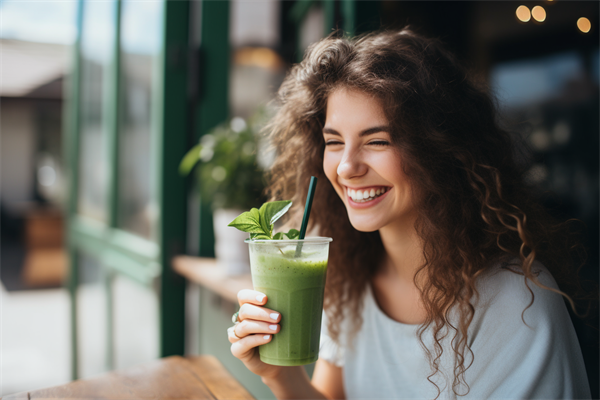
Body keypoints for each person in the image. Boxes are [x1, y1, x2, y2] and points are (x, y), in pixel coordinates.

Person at [226, 28, 592, 399]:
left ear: (438, 149)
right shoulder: (348, 279)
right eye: (334, 142)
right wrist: (278, 376)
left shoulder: (517, 303)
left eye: (378, 141)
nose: (347, 167)